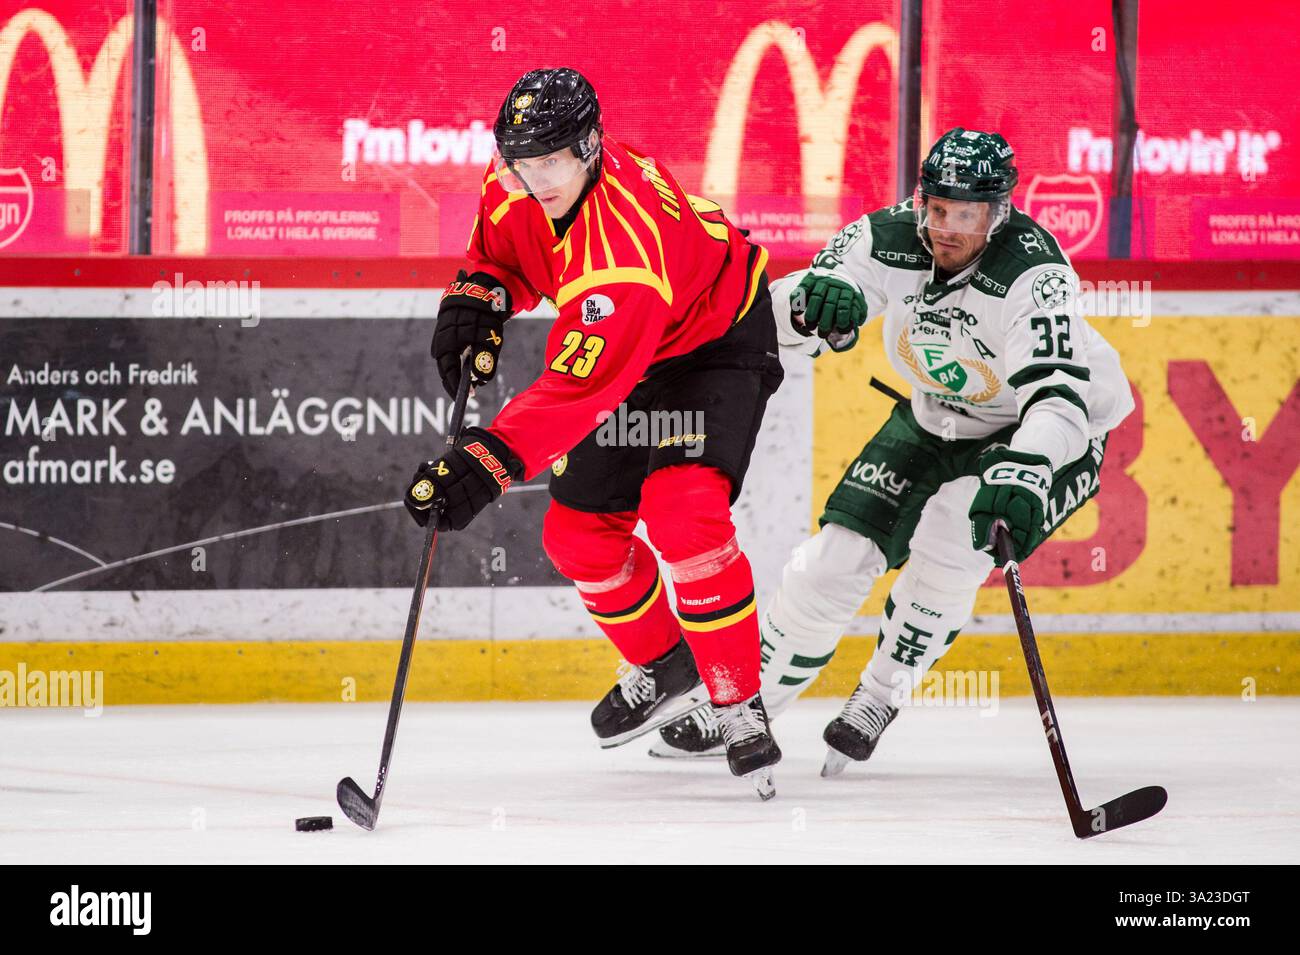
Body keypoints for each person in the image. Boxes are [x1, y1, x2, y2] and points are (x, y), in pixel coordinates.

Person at [653, 128, 1134, 776]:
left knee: (947, 546)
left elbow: (1058, 398)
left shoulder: (1034, 274)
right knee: (833, 559)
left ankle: (878, 696)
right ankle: (750, 701)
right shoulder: (889, 234)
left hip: (1045, 431)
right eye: (936, 208)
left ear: (999, 212)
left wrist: (1027, 470)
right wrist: (810, 308)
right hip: (936, 414)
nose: (946, 228)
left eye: (965, 214)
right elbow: (788, 309)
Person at [404, 68, 785, 797]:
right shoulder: (514, 176)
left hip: (709, 344)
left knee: (685, 516)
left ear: (590, 144)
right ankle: (666, 662)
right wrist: (478, 297)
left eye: (552, 161)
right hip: (629, 340)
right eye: (523, 160)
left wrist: (484, 461)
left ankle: (736, 698)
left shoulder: (624, 253)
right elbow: (504, 255)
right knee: (576, 537)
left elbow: (585, 388)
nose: (535, 177)